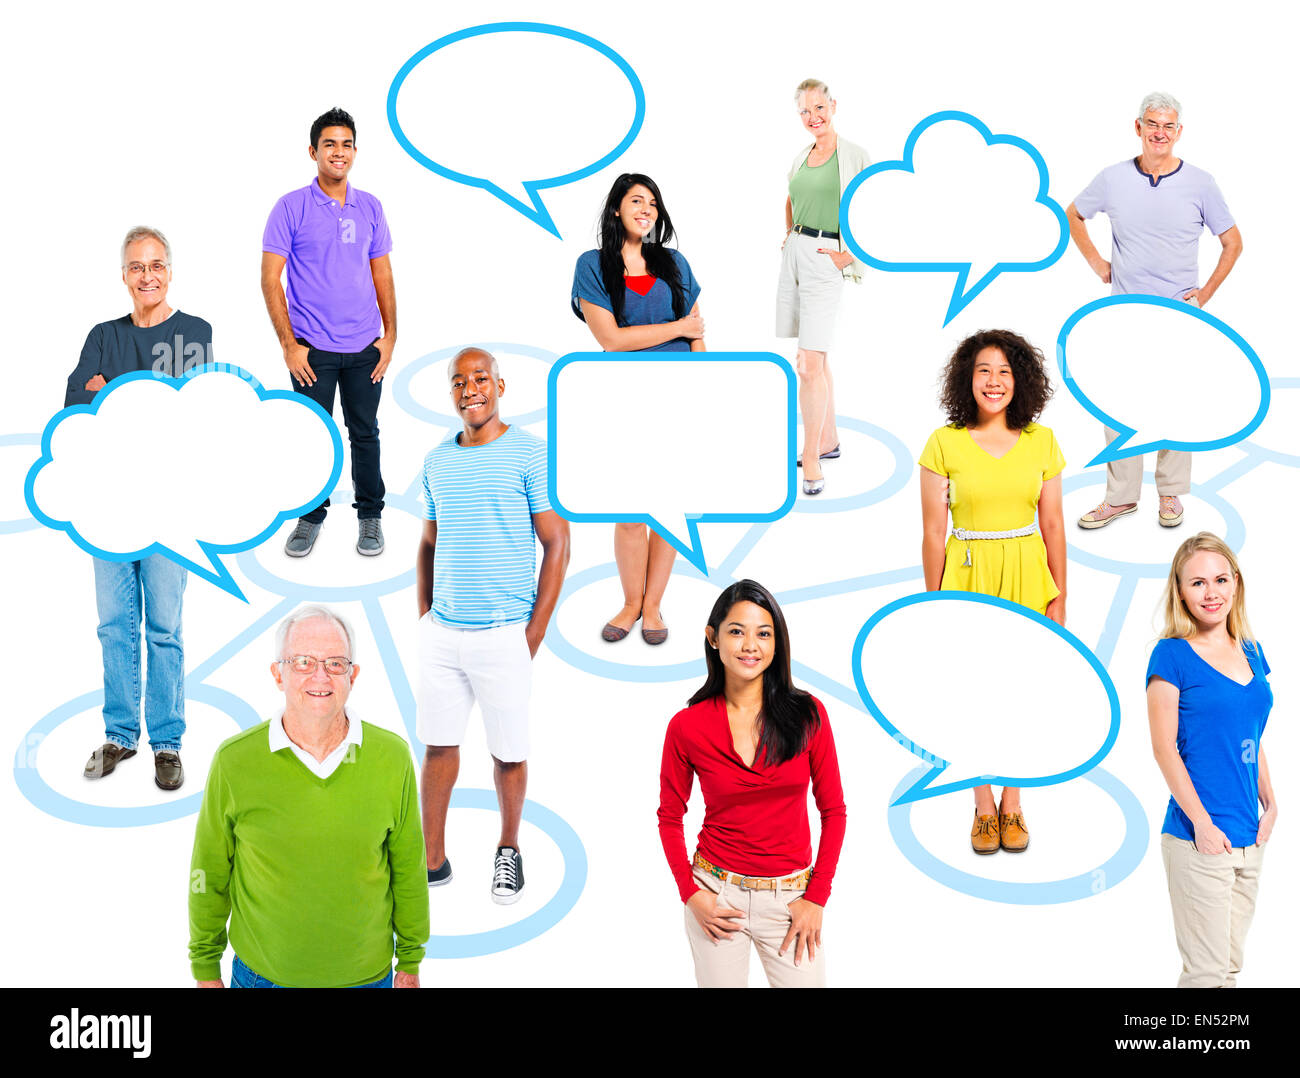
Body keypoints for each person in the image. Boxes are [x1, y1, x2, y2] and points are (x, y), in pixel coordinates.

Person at [188, 605, 428, 988]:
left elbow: (408, 868)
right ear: (277, 674)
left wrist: (412, 958)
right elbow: (209, 870)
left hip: (368, 979)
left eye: (335, 663)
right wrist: (205, 968)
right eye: (303, 661)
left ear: (353, 676)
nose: (320, 675)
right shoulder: (235, 761)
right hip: (260, 978)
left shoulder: (392, 757)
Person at [416, 347, 570, 903]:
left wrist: (533, 634)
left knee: (508, 752)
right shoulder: (437, 459)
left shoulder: (530, 454)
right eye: (459, 382)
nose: (470, 389)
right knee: (437, 746)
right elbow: (429, 543)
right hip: (443, 634)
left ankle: (509, 850)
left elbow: (557, 544)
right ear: (452, 394)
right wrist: (425, 618)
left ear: (500, 386)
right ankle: (431, 861)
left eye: (481, 378)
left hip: (505, 631)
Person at [67, 225, 213, 792]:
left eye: (156, 265)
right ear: (124, 275)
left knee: (165, 628)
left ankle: (168, 742)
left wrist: (117, 389)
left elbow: (186, 409)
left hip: (170, 506)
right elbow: (77, 401)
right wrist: (135, 390)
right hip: (106, 502)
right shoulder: (102, 333)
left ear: (169, 271)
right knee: (113, 625)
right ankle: (120, 735)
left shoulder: (194, 331)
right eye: (136, 267)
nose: (146, 276)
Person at [918, 329, 1067, 854]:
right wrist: (932, 601)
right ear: (967, 378)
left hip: (1027, 572)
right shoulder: (943, 443)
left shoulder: (1042, 441)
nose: (994, 381)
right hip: (966, 573)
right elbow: (934, 531)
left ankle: (1015, 800)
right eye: (984, 370)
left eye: (1005, 371)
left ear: (1021, 380)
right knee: (971, 692)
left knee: (1024, 692)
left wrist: (1061, 596)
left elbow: (1053, 524)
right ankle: (982, 804)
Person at [658, 579, 846, 988]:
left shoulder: (809, 714)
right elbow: (670, 817)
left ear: (777, 644)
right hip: (716, 898)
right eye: (737, 632)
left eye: (763, 634)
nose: (750, 646)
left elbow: (834, 811)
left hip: (791, 899)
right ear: (713, 638)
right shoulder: (686, 726)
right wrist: (692, 894)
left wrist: (816, 898)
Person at [1068, 92, 1242, 531]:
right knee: (1117, 404)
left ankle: (1169, 495)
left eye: (1168, 126)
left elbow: (1233, 242)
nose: (1159, 133)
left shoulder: (1201, 183)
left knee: (1174, 402)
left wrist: (1203, 294)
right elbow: (1073, 215)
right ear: (1138, 127)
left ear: (1178, 132)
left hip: (1179, 317)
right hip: (1122, 313)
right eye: (1152, 124)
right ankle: (1122, 497)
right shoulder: (1112, 179)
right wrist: (1097, 264)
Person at [571, 173, 704, 645]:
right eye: (635, 201)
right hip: (623, 400)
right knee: (629, 511)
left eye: (652, 202)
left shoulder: (673, 262)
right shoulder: (593, 265)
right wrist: (676, 329)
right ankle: (630, 602)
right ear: (616, 210)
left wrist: (706, 383)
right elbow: (611, 339)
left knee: (667, 507)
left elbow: (697, 333)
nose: (645, 209)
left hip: (679, 397)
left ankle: (652, 606)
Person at [262, 106, 397, 558]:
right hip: (311, 349)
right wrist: (289, 347)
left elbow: (383, 275)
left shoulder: (371, 207)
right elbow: (269, 278)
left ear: (355, 151)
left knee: (365, 433)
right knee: (312, 435)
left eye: (345, 144)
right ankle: (309, 516)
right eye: (329, 144)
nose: (338, 152)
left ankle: (370, 517)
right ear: (313, 151)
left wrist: (390, 336)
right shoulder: (291, 207)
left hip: (364, 346)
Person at [1146, 533, 1275, 988]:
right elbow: (1164, 748)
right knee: (1205, 974)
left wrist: (1271, 803)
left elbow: (1250, 734)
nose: (1211, 592)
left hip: (1248, 836)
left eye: (1221, 579)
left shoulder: (1253, 651)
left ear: (1236, 583)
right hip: (1197, 836)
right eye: (1197, 583)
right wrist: (1202, 824)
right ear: (1180, 590)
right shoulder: (1171, 655)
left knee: (1229, 971)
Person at [776, 78, 870, 496]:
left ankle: (811, 456)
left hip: (825, 259)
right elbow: (790, 200)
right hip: (796, 253)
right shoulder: (802, 156)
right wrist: (789, 238)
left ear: (833, 105)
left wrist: (849, 255)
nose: (812, 117)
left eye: (819, 108)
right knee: (817, 355)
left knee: (807, 363)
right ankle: (828, 440)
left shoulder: (854, 156)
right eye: (804, 111)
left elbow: (875, 208)